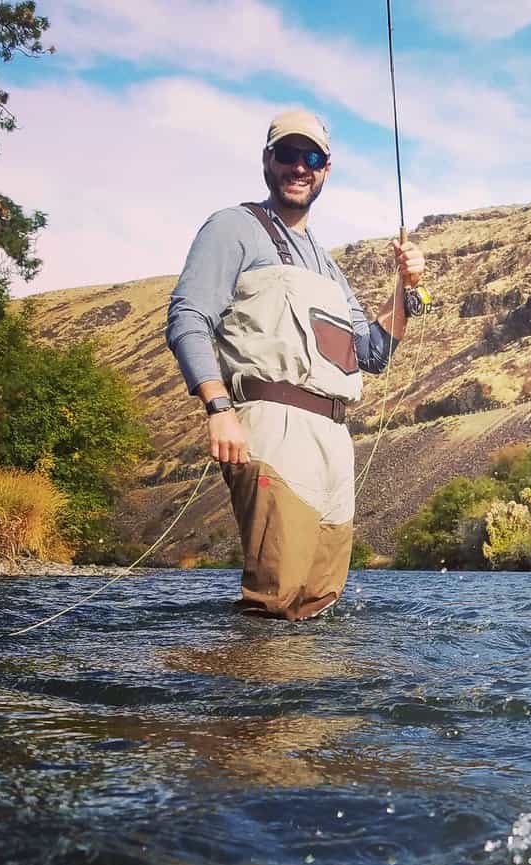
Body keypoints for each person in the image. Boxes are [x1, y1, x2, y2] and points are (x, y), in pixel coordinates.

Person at [166, 109, 425, 620]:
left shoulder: (329, 266)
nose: (299, 167)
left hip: (333, 441)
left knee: (318, 603)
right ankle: (248, 697)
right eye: (288, 154)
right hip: (271, 429)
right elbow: (186, 317)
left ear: (326, 169)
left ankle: (305, 701)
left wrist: (405, 289)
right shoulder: (233, 227)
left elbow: (371, 352)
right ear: (268, 160)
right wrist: (218, 407)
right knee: (276, 596)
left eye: (312, 157)